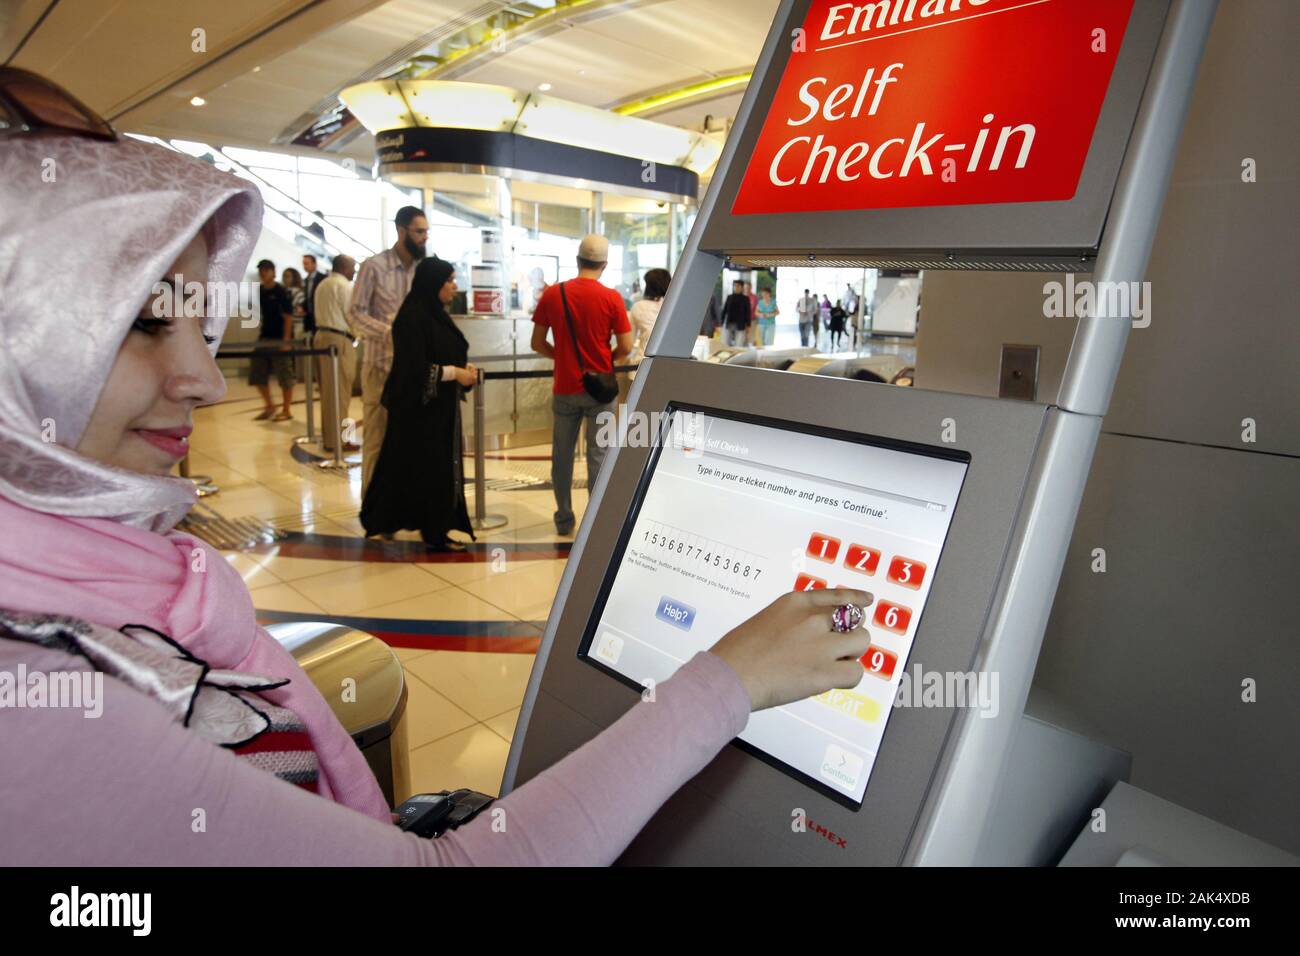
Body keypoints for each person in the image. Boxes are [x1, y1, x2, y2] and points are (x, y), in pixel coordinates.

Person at [0, 75, 876, 865]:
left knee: (569, 465)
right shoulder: (41, 704)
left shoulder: (126, 583)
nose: (202, 378)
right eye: (146, 322)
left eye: (196, 319)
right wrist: (729, 680)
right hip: (522, 408)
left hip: (513, 405)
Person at [360, 258, 477, 550]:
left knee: (434, 469)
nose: (454, 286)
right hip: (420, 413)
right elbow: (415, 368)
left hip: (438, 409)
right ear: (433, 283)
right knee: (425, 470)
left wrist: (464, 371)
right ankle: (432, 530)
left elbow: (443, 353)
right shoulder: (412, 317)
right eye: (449, 280)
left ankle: (436, 526)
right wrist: (455, 373)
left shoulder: (434, 314)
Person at [530, 234, 633, 537]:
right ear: (604, 264)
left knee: (562, 456)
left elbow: (537, 342)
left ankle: (564, 519)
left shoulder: (553, 295)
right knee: (599, 455)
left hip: (565, 389)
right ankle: (594, 524)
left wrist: (561, 357)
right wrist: (605, 362)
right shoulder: (611, 298)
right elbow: (626, 346)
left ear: (577, 261)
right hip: (601, 391)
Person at [350, 206, 427, 494]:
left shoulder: (422, 270)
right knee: (377, 441)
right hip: (380, 367)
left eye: (426, 232)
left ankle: (400, 505)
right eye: (419, 231)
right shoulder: (374, 266)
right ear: (401, 231)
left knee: (409, 441)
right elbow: (355, 313)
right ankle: (372, 506)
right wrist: (389, 333)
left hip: (414, 370)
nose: (424, 238)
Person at [313, 254, 359, 454]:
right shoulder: (344, 286)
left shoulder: (323, 284)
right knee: (341, 394)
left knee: (328, 393)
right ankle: (342, 440)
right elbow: (352, 316)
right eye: (353, 267)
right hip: (339, 340)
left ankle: (330, 438)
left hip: (321, 337)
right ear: (344, 267)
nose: (354, 270)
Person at [251, 259, 296, 421]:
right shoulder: (260, 291)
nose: (263, 273)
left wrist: (286, 340)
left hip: (280, 337)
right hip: (265, 336)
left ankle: (286, 409)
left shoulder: (281, 291)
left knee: (284, 374)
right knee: (257, 371)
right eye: (261, 270)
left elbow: (288, 316)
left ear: (273, 272)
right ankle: (269, 405)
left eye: (266, 270)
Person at [628, 267, 672, 368]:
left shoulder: (639, 306)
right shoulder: (675, 307)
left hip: (640, 367)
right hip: (668, 368)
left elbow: (629, 343)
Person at [720, 279, 751, 348]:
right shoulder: (729, 297)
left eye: (738, 286)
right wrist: (721, 322)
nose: (736, 287)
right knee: (725, 342)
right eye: (735, 286)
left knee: (739, 343)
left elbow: (748, 312)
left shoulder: (745, 298)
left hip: (741, 323)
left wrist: (748, 325)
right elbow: (724, 310)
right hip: (729, 322)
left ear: (742, 287)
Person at [301, 253, 325, 334]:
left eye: (307, 263)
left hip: (320, 316)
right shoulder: (305, 280)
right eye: (304, 264)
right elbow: (307, 297)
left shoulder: (323, 279)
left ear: (314, 264)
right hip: (308, 317)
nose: (305, 266)